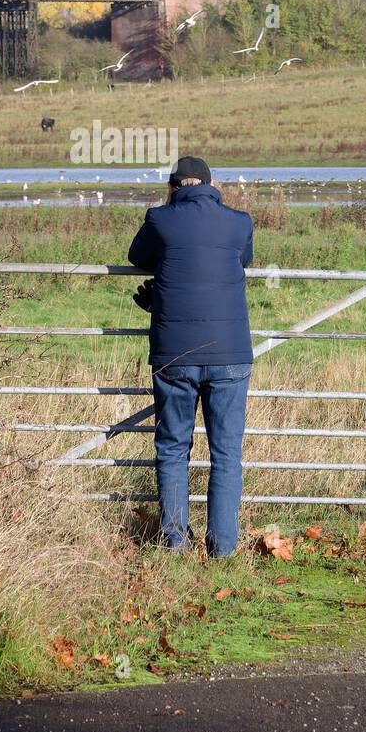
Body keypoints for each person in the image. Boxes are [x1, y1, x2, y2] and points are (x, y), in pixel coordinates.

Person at [127, 156, 254, 557]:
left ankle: (175, 542)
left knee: (172, 448)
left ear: (172, 186)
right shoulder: (239, 222)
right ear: (213, 186)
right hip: (230, 355)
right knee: (227, 454)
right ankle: (223, 549)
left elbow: (137, 257)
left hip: (175, 353)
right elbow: (241, 260)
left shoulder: (160, 220)